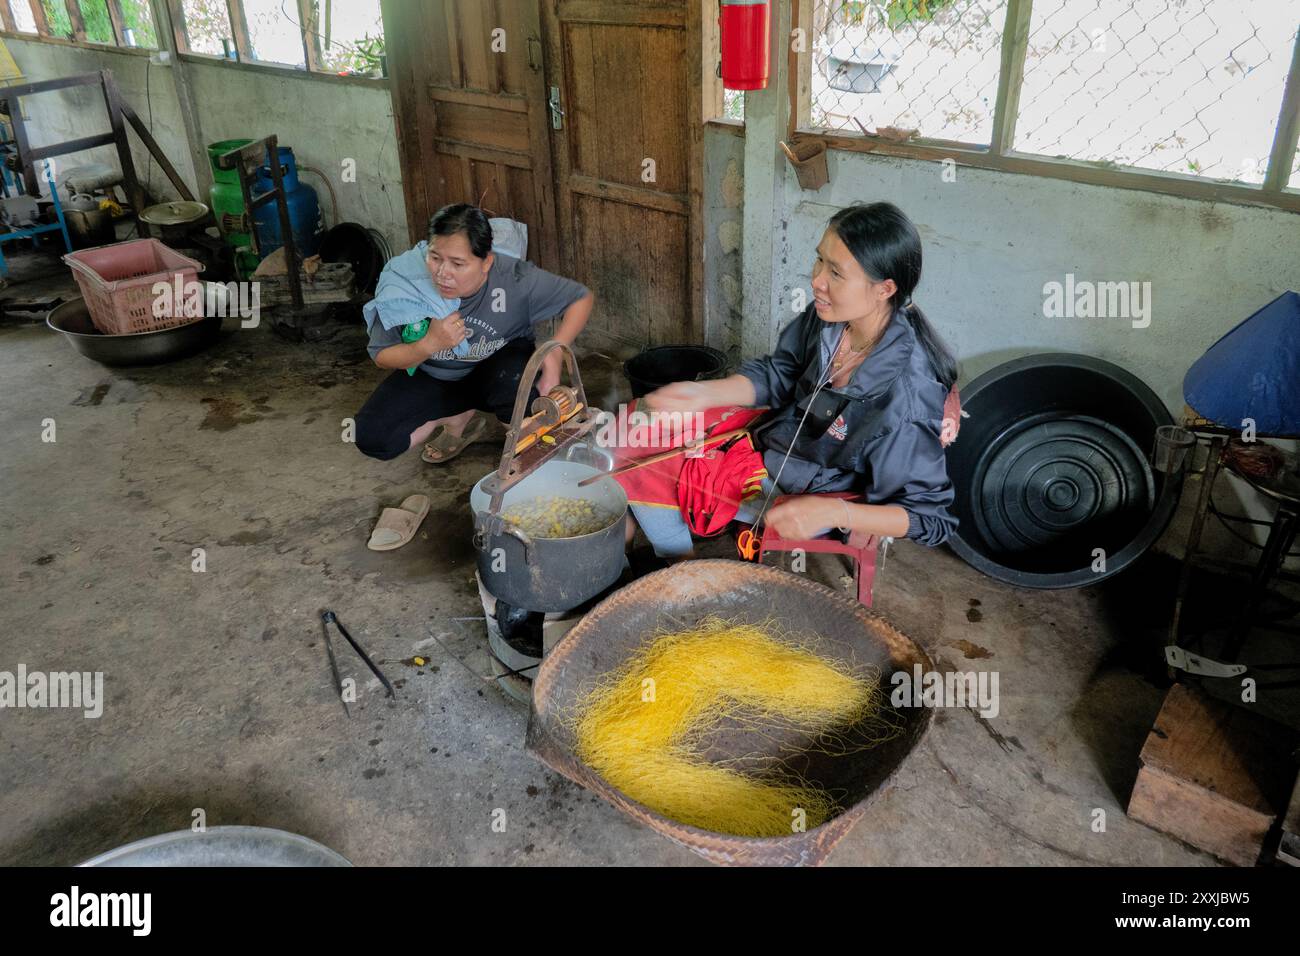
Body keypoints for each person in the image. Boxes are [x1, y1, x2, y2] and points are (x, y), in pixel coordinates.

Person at [638, 201, 958, 557]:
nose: (817, 280)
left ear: (884, 289)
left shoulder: (906, 398)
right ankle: (675, 564)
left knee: (645, 471)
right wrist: (703, 392)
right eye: (819, 259)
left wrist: (836, 511)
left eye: (836, 273)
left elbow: (931, 519)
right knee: (643, 432)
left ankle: (677, 575)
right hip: (784, 440)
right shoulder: (831, 317)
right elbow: (782, 373)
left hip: (820, 488)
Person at [354, 204, 594, 462]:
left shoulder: (512, 277)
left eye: (458, 263)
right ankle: (454, 417)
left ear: (486, 262)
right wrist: (428, 344)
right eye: (435, 258)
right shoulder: (405, 283)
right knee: (373, 435)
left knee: (520, 397)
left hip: (496, 369)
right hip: (435, 375)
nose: (442, 273)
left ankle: (516, 438)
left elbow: (581, 299)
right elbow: (382, 356)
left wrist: (556, 352)